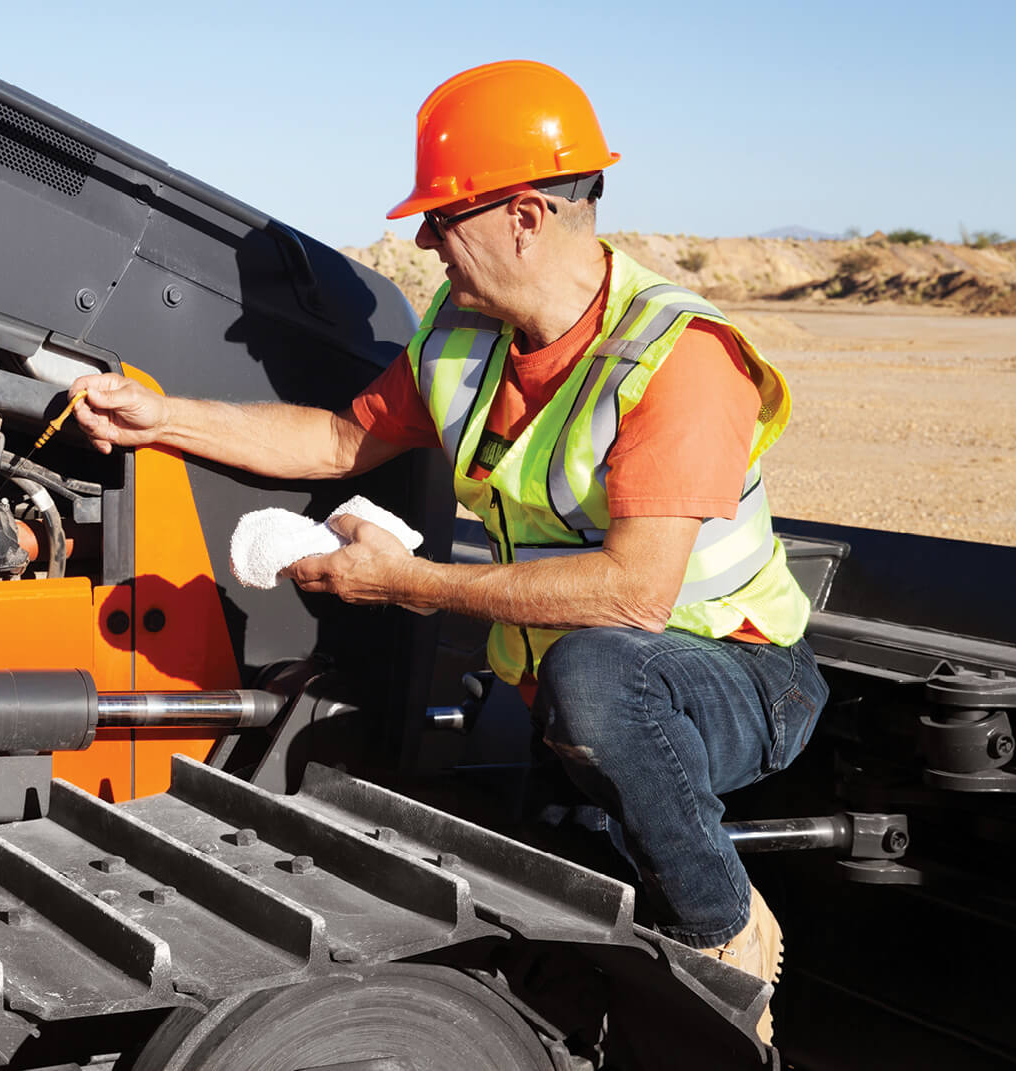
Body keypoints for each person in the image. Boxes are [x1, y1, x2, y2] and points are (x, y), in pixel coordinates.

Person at [69, 59, 827, 1044]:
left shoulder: (678, 359)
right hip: (559, 687)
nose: (423, 240)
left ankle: (723, 931)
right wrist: (161, 418)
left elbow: (635, 595)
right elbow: (338, 441)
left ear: (524, 216)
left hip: (740, 677)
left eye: (442, 216)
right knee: (536, 898)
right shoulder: (464, 340)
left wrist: (409, 584)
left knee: (599, 677)